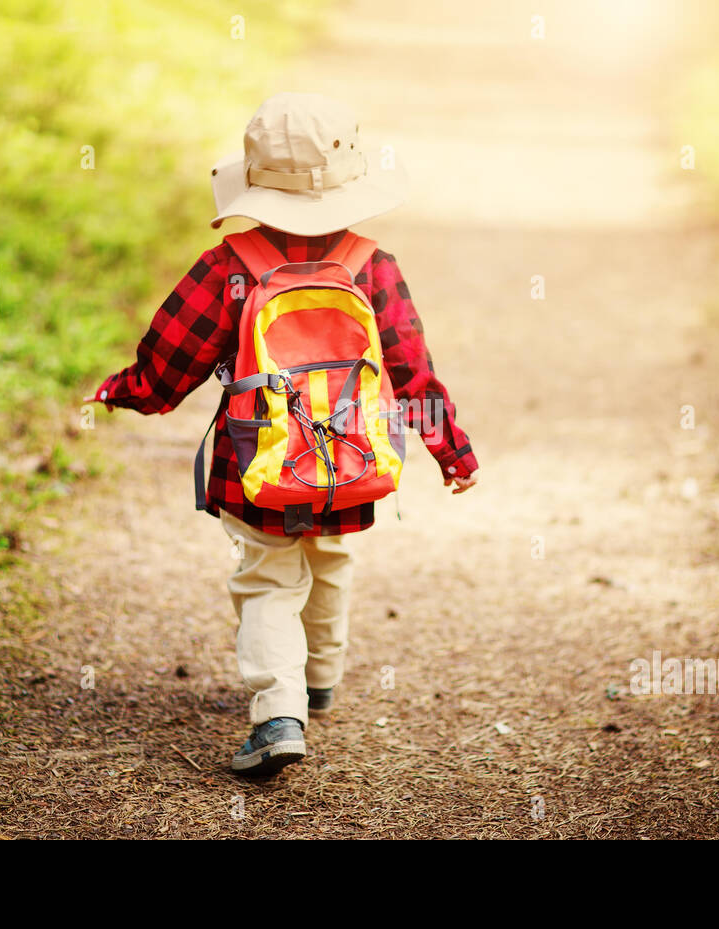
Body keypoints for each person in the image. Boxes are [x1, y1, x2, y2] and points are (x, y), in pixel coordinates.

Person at [90, 93, 478, 775]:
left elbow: (170, 358)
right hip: (351, 459)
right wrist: (453, 452)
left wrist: (124, 391)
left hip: (259, 461)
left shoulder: (229, 266)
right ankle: (320, 678)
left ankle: (279, 711)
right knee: (330, 558)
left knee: (268, 577)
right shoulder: (371, 265)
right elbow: (413, 373)